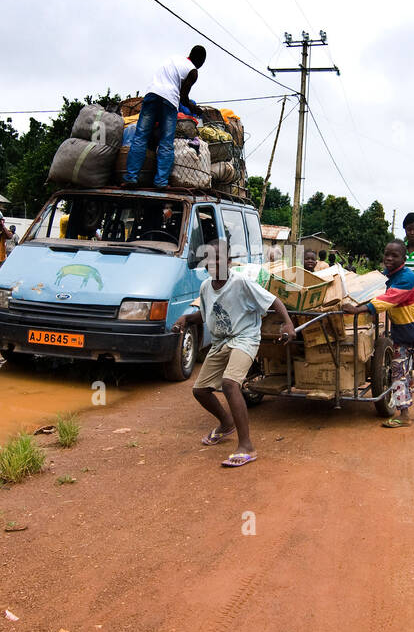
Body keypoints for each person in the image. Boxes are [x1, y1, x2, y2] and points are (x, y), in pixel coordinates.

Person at [171, 239, 294, 468]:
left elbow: (274, 300)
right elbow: (207, 315)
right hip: (221, 341)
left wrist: (288, 324)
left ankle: (247, 445)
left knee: (229, 384)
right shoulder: (206, 287)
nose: (213, 264)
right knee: (200, 390)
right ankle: (226, 423)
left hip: (245, 338)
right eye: (209, 259)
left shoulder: (240, 283)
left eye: (218, 259)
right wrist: (186, 318)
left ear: (228, 262)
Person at [341, 240, 414, 427]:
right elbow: (370, 287)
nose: (389, 258)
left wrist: (359, 309)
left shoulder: (407, 277)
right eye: (387, 254)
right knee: (398, 373)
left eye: (395, 255)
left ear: (404, 258)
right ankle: (404, 414)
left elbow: (387, 300)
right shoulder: (386, 276)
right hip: (400, 333)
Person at [124, 45, 207, 188]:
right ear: (200, 61)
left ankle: (131, 177)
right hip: (169, 101)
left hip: (151, 95)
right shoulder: (193, 71)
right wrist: (194, 109)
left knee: (140, 137)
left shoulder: (175, 59)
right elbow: (183, 97)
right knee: (166, 141)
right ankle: (161, 182)